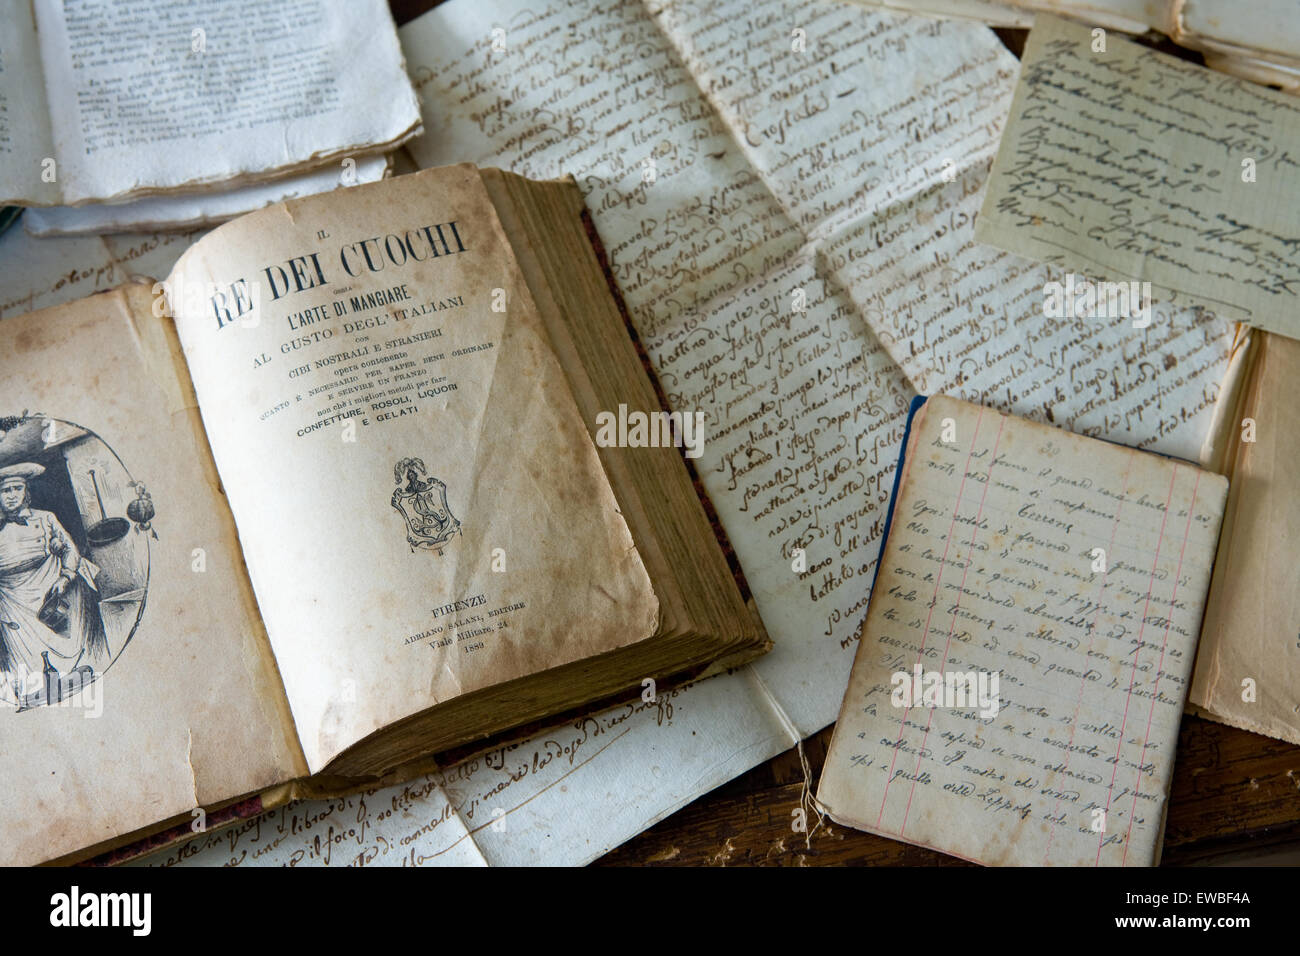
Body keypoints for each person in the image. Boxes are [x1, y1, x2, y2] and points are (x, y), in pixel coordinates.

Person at [0, 463, 108, 705]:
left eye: (16, 488)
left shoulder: (45, 518)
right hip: (11, 597)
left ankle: (78, 675)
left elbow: (70, 548)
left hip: (50, 583)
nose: (11, 495)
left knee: (71, 614)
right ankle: (34, 693)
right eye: (4, 491)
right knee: (21, 646)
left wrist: (66, 575)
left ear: (26, 492)